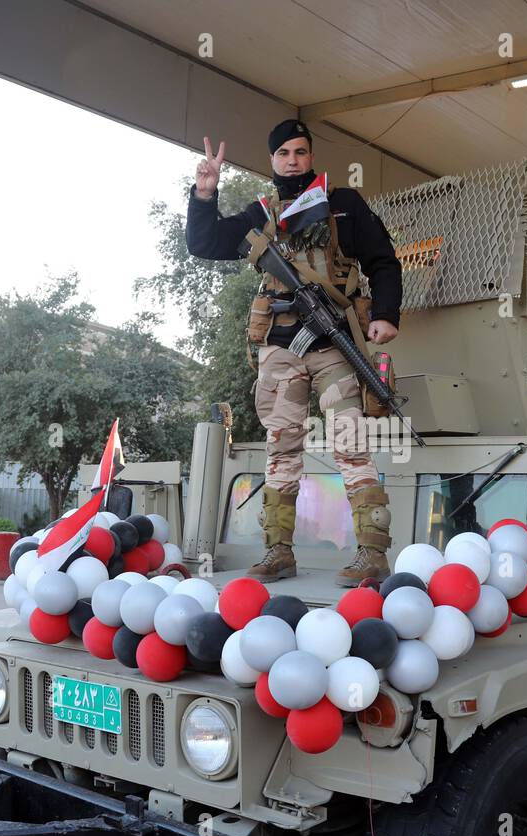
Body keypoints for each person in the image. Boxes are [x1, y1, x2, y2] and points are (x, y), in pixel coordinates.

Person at [186, 119, 402, 586]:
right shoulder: (260, 213)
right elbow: (202, 243)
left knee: (351, 445)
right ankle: (278, 552)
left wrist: (385, 314)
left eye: (300, 152)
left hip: (333, 344)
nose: (292, 161)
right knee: (281, 449)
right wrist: (205, 193)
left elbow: (383, 260)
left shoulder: (342, 204)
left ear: (310, 155)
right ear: (272, 159)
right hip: (281, 349)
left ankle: (372, 553)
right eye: (283, 153)